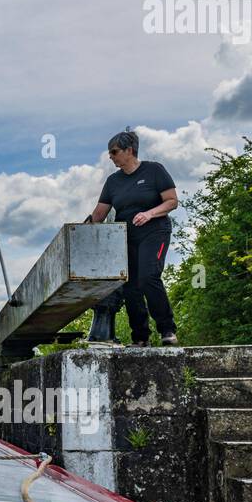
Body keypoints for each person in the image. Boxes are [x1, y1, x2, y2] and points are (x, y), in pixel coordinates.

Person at [86, 127, 180, 347]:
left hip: (154, 232)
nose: (110, 156)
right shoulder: (113, 181)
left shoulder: (154, 171)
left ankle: (167, 330)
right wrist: (81, 234)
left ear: (129, 150)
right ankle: (140, 337)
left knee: (148, 278)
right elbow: (99, 213)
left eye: (114, 151)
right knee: (131, 287)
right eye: (110, 153)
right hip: (125, 238)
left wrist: (149, 214)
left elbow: (172, 201)